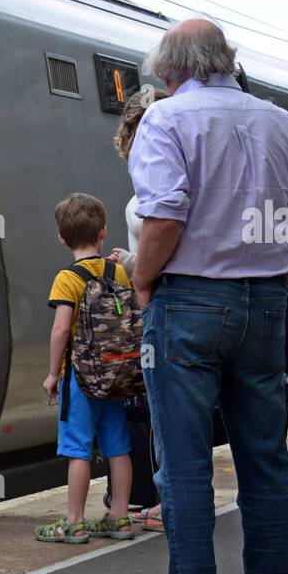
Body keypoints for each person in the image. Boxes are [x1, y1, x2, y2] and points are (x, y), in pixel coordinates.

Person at [127, 19, 288, 574]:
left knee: (184, 465)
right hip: (265, 306)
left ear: (170, 70)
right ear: (226, 60)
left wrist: (141, 281)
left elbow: (162, 216)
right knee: (265, 460)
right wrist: (281, 273)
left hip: (187, 302)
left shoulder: (165, 120)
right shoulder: (285, 123)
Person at [35, 194, 136, 544]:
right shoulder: (118, 270)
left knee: (78, 448)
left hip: (80, 377)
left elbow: (61, 329)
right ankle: (120, 517)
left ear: (62, 238)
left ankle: (74, 521)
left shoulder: (67, 278)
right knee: (118, 446)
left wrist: (52, 374)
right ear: (104, 232)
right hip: (116, 374)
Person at [111, 84, 168, 533]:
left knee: (166, 413)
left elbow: (163, 234)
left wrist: (134, 269)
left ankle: (169, 501)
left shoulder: (154, 170)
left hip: (159, 306)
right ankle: (170, 497)